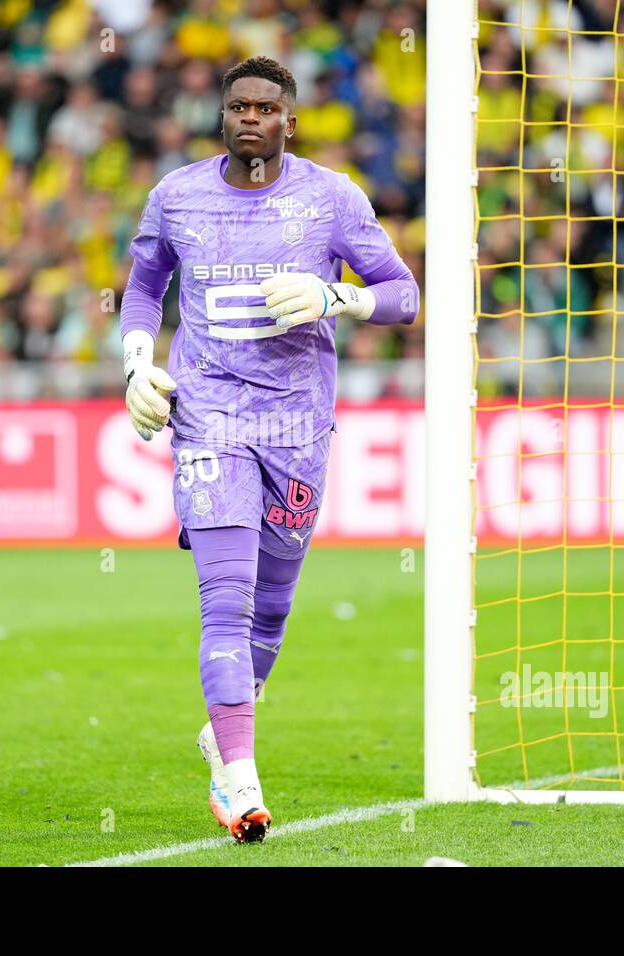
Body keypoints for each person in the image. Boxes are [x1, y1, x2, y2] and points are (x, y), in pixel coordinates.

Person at [118, 56, 418, 843]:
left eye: (266, 107)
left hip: (297, 425)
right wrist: (136, 362)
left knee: (272, 612)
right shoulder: (177, 196)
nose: (251, 116)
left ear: (290, 121)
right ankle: (240, 777)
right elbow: (146, 286)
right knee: (229, 600)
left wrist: (337, 296)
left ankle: (224, 730)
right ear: (223, 116)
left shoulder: (332, 198)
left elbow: (404, 294)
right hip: (208, 416)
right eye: (238, 105)